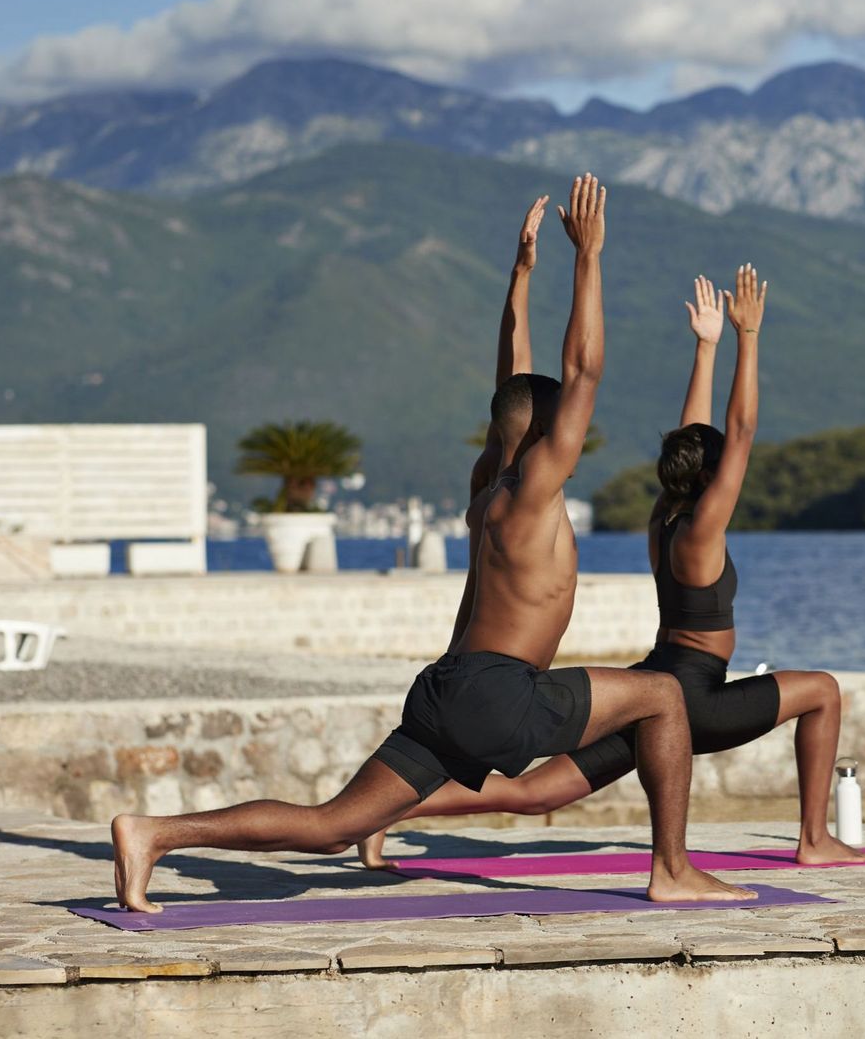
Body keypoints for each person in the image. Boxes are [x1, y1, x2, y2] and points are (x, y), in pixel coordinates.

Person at [110, 174, 756, 910]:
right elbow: (582, 370)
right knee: (665, 695)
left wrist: (519, 279)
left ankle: (154, 832)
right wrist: (589, 258)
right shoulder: (536, 489)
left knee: (329, 825)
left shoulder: (491, 486)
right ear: (546, 435)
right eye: (561, 423)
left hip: (446, 686)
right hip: (498, 691)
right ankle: (672, 868)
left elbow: (512, 385)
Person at [358, 264, 865, 868]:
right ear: (714, 480)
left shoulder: (666, 516)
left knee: (534, 792)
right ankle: (814, 838)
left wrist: (705, 348)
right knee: (823, 692)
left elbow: (695, 436)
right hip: (696, 696)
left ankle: (390, 809)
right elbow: (739, 431)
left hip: (656, 675)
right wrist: (748, 338)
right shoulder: (704, 528)